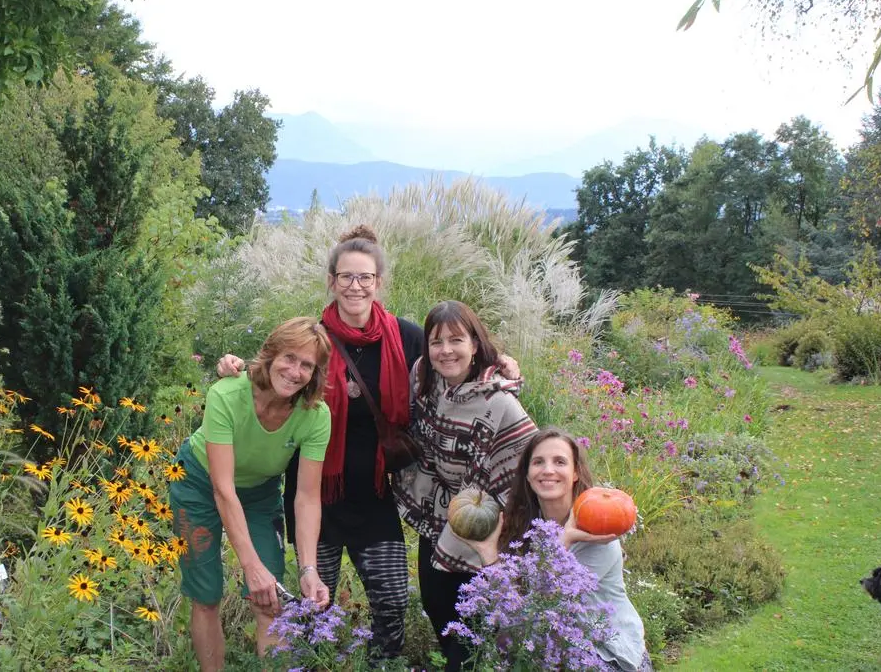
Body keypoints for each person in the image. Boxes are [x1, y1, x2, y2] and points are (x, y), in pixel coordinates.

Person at [218, 227, 521, 661]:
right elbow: (277, 371)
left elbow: (456, 361)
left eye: (365, 277)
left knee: (393, 604)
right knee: (311, 608)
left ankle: (382, 666)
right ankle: (311, 665)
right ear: (331, 280)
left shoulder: (406, 336)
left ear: (378, 282)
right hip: (315, 495)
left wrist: (501, 362)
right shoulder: (315, 338)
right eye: (346, 277)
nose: (355, 286)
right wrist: (233, 366)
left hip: (379, 496)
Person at [171, 316, 333, 672]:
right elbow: (222, 488)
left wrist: (309, 569)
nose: (295, 371)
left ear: (316, 374)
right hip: (198, 483)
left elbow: (306, 497)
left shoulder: (315, 415)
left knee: (270, 600)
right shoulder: (226, 394)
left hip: (260, 492)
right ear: (271, 354)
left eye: (307, 365)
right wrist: (250, 566)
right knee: (206, 594)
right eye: (289, 358)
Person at [392, 300, 537, 671]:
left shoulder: (499, 401)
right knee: (435, 605)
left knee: (472, 622)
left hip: (480, 522)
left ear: (474, 344)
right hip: (437, 512)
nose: (446, 351)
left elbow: (526, 463)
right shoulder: (424, 376)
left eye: (456, 340)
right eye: (436, 342)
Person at [466, 428, 653, 672]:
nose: (548, 470)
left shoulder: (597, 534)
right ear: (528, 475)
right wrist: (489, 554)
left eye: (560, 462)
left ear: (575, 473)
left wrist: (563, 542)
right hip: (552, 651)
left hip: (607, 657)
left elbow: (541, 611)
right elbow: (516, 616)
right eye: (538, 462)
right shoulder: (527, 528)